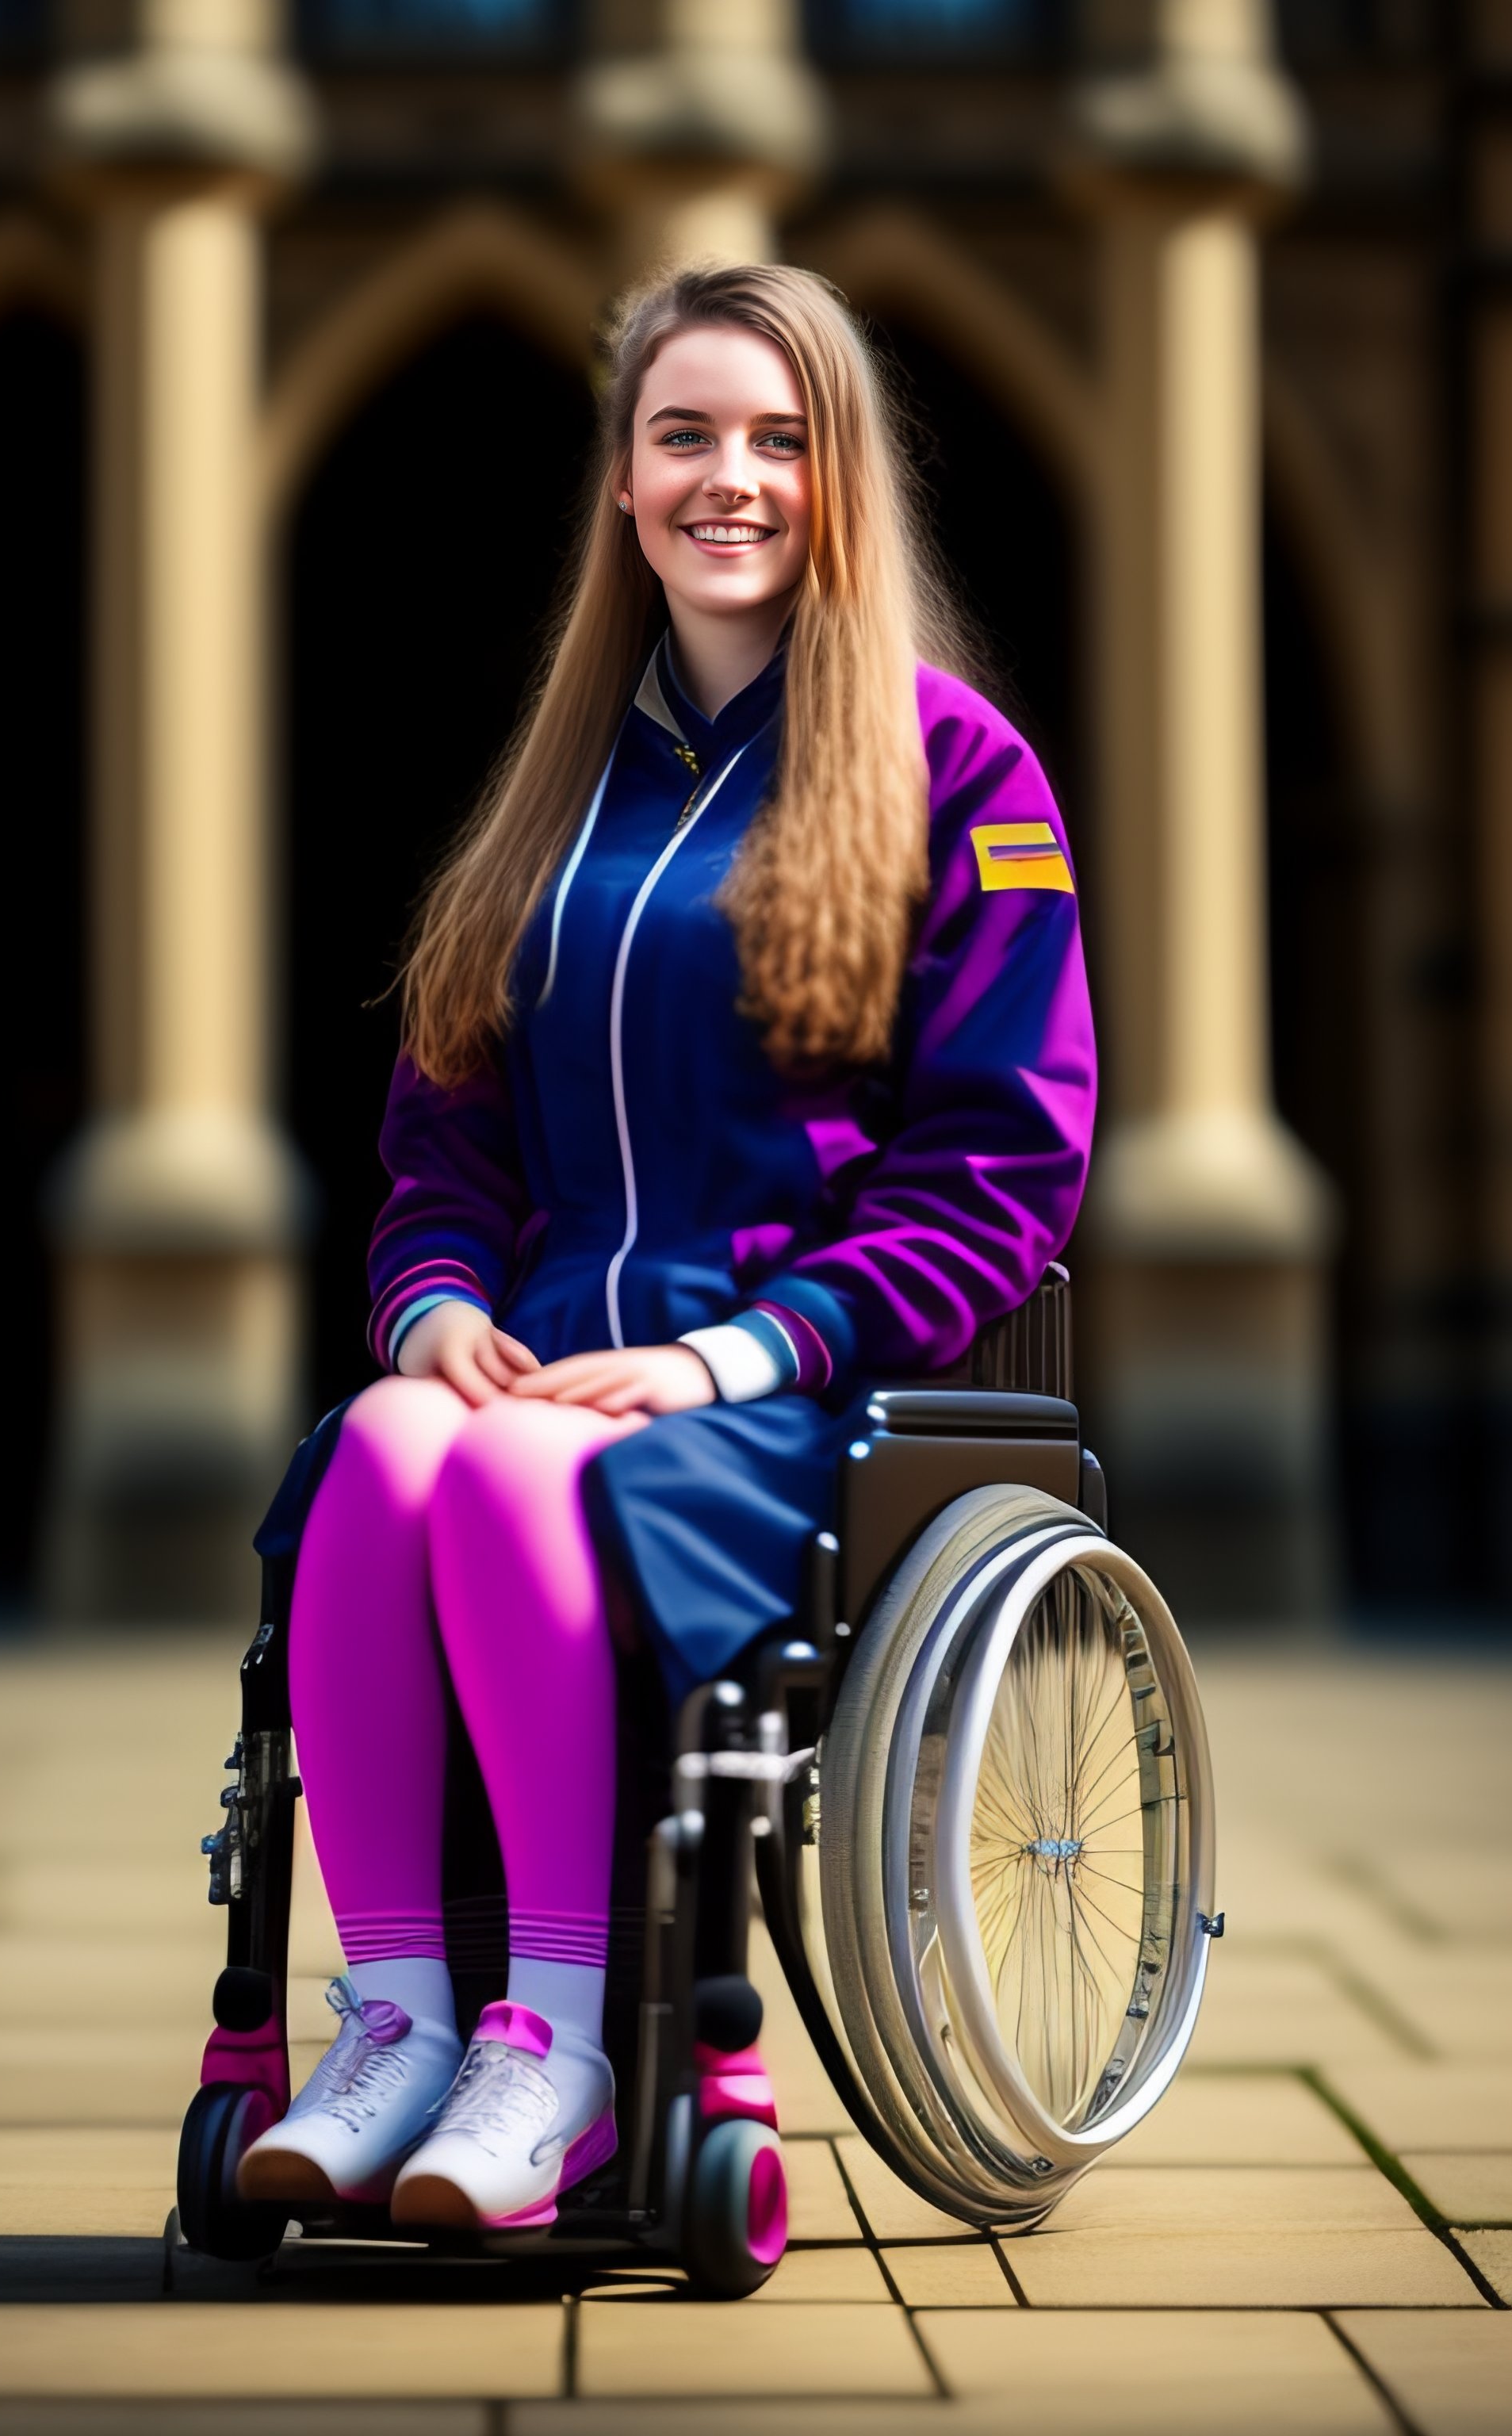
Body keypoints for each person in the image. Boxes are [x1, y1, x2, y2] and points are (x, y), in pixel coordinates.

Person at [237, 261, 1096, 2232]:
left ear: (839, 480)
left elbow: (1003, 1160)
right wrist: (436, 1303)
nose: (733, 478)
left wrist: (734, 1353)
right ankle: (390, 2022)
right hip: (542, 1368)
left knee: (515, 1464)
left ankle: (558, 2050)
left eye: (779, 441)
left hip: (795, 1401)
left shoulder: (957, 770)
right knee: (382, 1445)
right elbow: (442, 1140)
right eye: (684, 435)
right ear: (621, 483)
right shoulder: (560, 788)